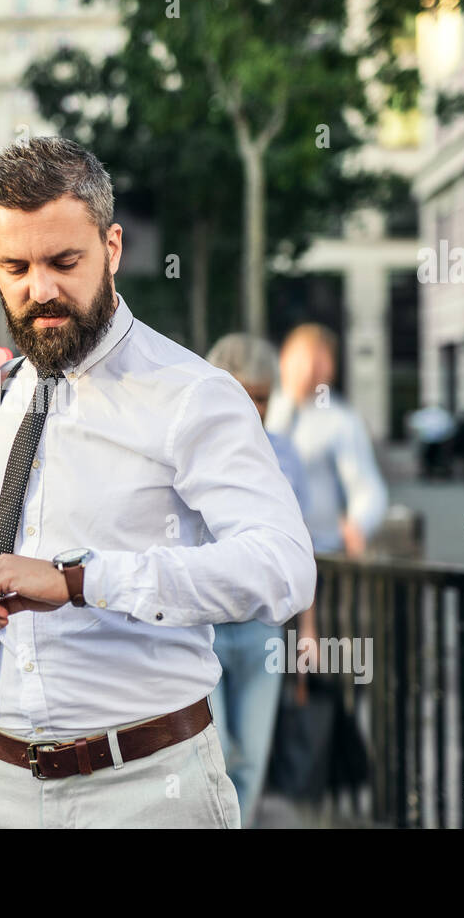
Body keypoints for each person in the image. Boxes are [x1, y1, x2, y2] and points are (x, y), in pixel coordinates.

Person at [0, 137, 315, 828]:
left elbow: (283, 569)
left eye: (64, 262)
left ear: (113, 247)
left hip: (145, 793)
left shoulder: (191, 394)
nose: (41, 289)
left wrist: (82, 580)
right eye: (15, 267)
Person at [204, 332, 311, 827]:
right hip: (199, 630)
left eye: (263, 396)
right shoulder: (189, 452)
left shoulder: (285, 456)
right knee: (214, 757)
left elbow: (302, 552)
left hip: (262, 631)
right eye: (242, 392)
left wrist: (308, 632)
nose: (253, 406)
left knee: (251, 761)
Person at [265, 324, 388, 674]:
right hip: (269, 564)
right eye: (303, 359)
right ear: (284, 360)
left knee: (319, 670)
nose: (310, 370)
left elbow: (368, 487)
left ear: (330, 368)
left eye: (319, 362)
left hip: (324, 563)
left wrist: (358, 523)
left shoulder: (341, 422)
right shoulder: (260, 410)